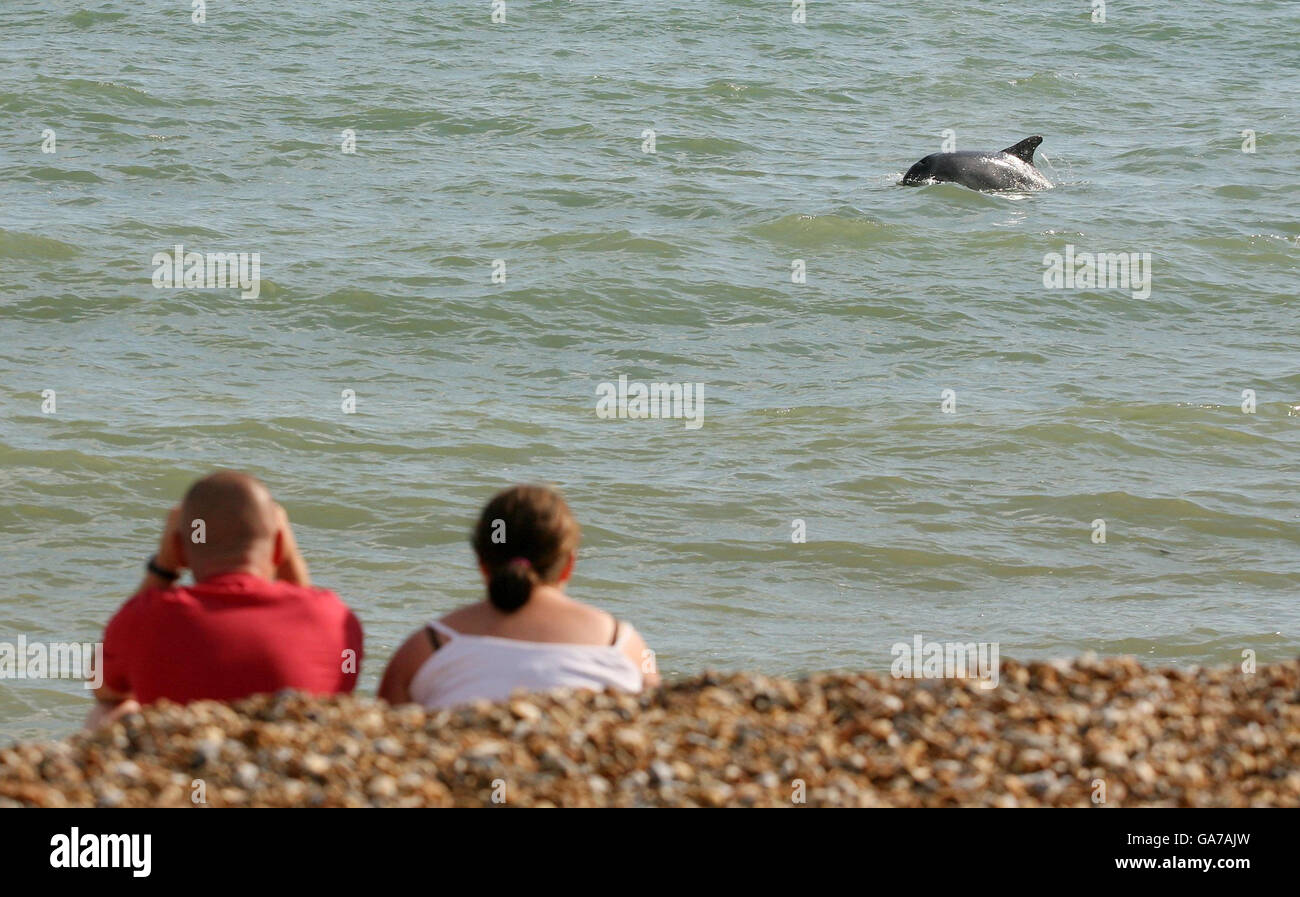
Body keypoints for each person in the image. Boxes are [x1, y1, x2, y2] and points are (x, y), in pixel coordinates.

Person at [88, 471, 363, 728]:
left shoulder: (145, 618)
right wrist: (288, 556)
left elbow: (104, 686)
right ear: (280, 545)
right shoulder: (335, 619)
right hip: (293, 767)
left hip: (185, 764)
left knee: (109, 712)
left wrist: (162, 568)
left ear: (178, 549)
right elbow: (310, 619)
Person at [379, 484, 657, 709]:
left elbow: (385, 737)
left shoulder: (427, 648)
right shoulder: (621, 644)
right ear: (569, 564)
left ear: (481, 561)